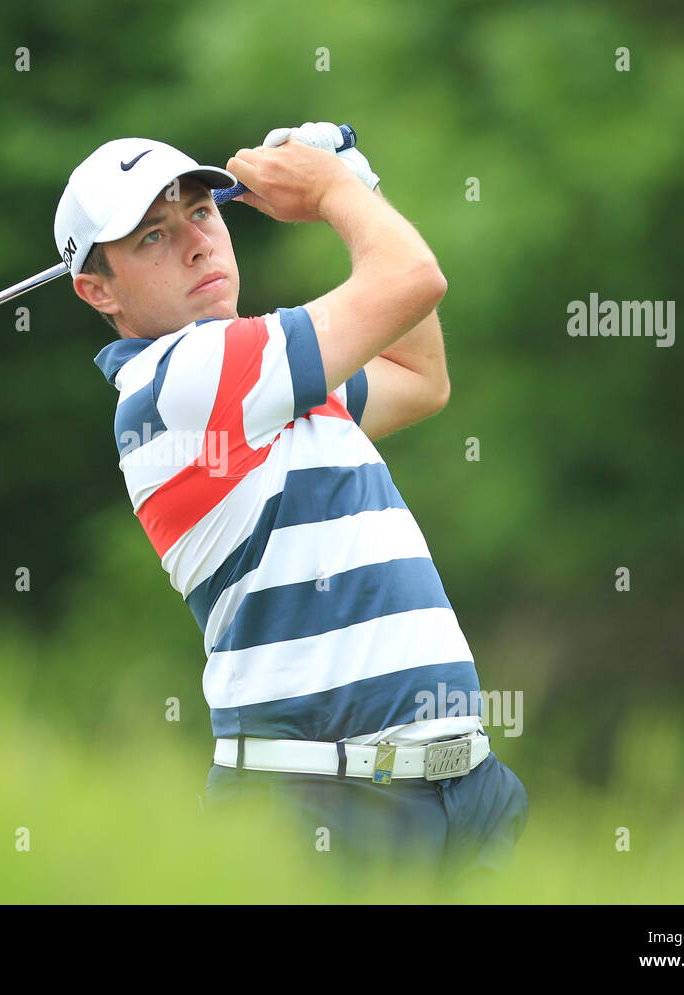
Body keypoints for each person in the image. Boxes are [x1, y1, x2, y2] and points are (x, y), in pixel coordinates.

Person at [54, 124, 528, 883]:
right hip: (323, 806)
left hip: (463, 792)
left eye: (202, 213)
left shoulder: (263, 382)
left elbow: (421, 373)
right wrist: (335, 189)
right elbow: (414, 278)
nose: (196, 244)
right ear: (97, 288)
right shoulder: (183, 381)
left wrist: (356, 183)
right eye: (152, 237)